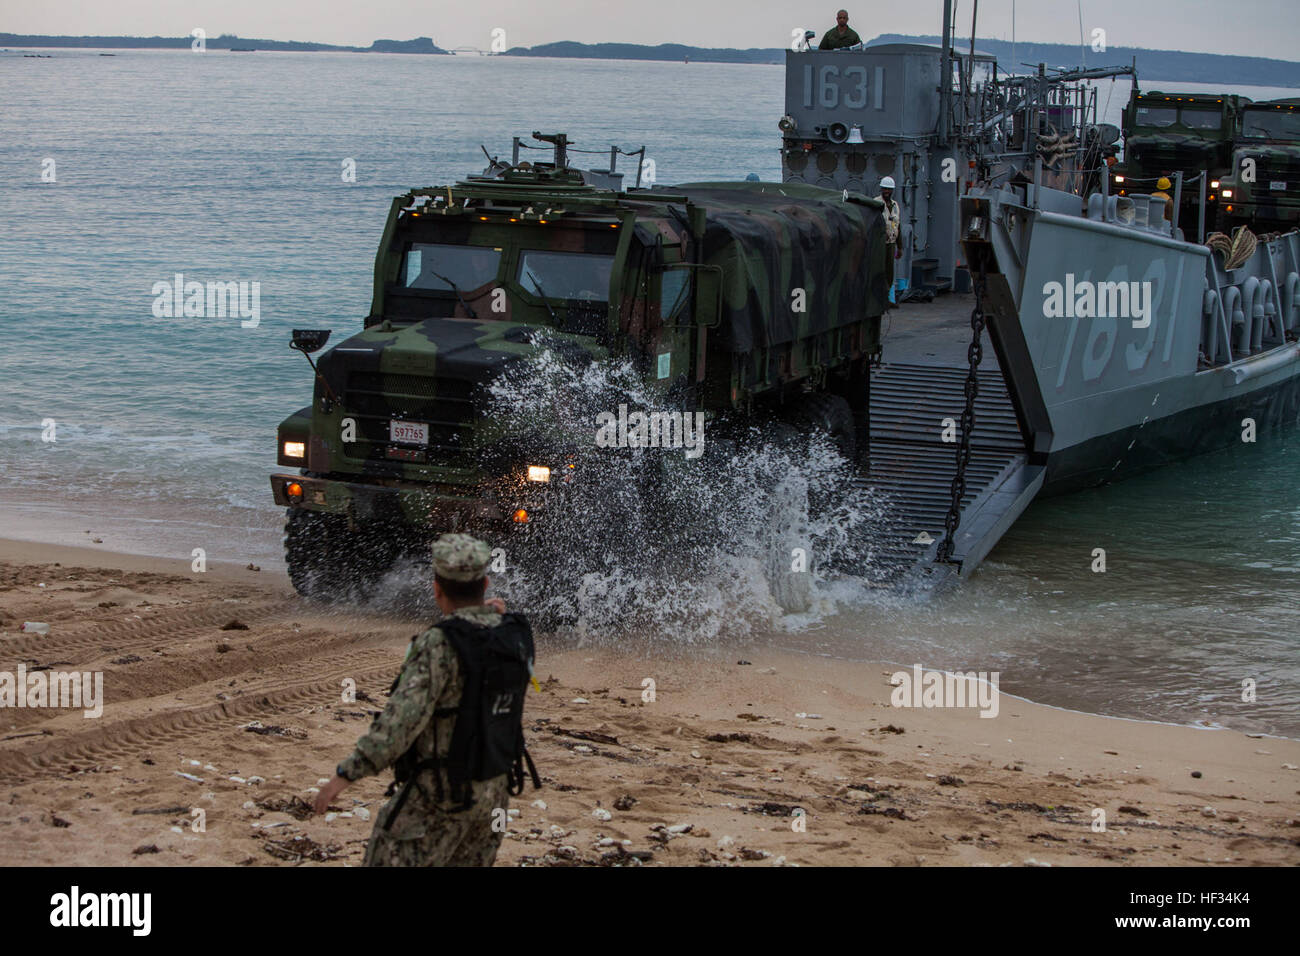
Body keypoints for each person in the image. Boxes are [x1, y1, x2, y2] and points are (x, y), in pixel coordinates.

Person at [313, 532, 539, 866]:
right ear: (487, 584)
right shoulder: (515, 634)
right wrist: (485, 614)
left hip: (440, 794)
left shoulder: (438, 645)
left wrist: (344, 777)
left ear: (436, 590)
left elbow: (400, 723)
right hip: (494, 794)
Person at [878, 176, 902, 301]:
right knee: (879, 269)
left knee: (889, 272)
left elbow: (899, 226)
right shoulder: (876, 203)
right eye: (885, 189)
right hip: (880, 244)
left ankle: (886, 298)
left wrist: (900, 247)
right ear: (881, 189)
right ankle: (879, 297)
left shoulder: (895, 205)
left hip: (891, 243)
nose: (887, 191)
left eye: (889, 189)